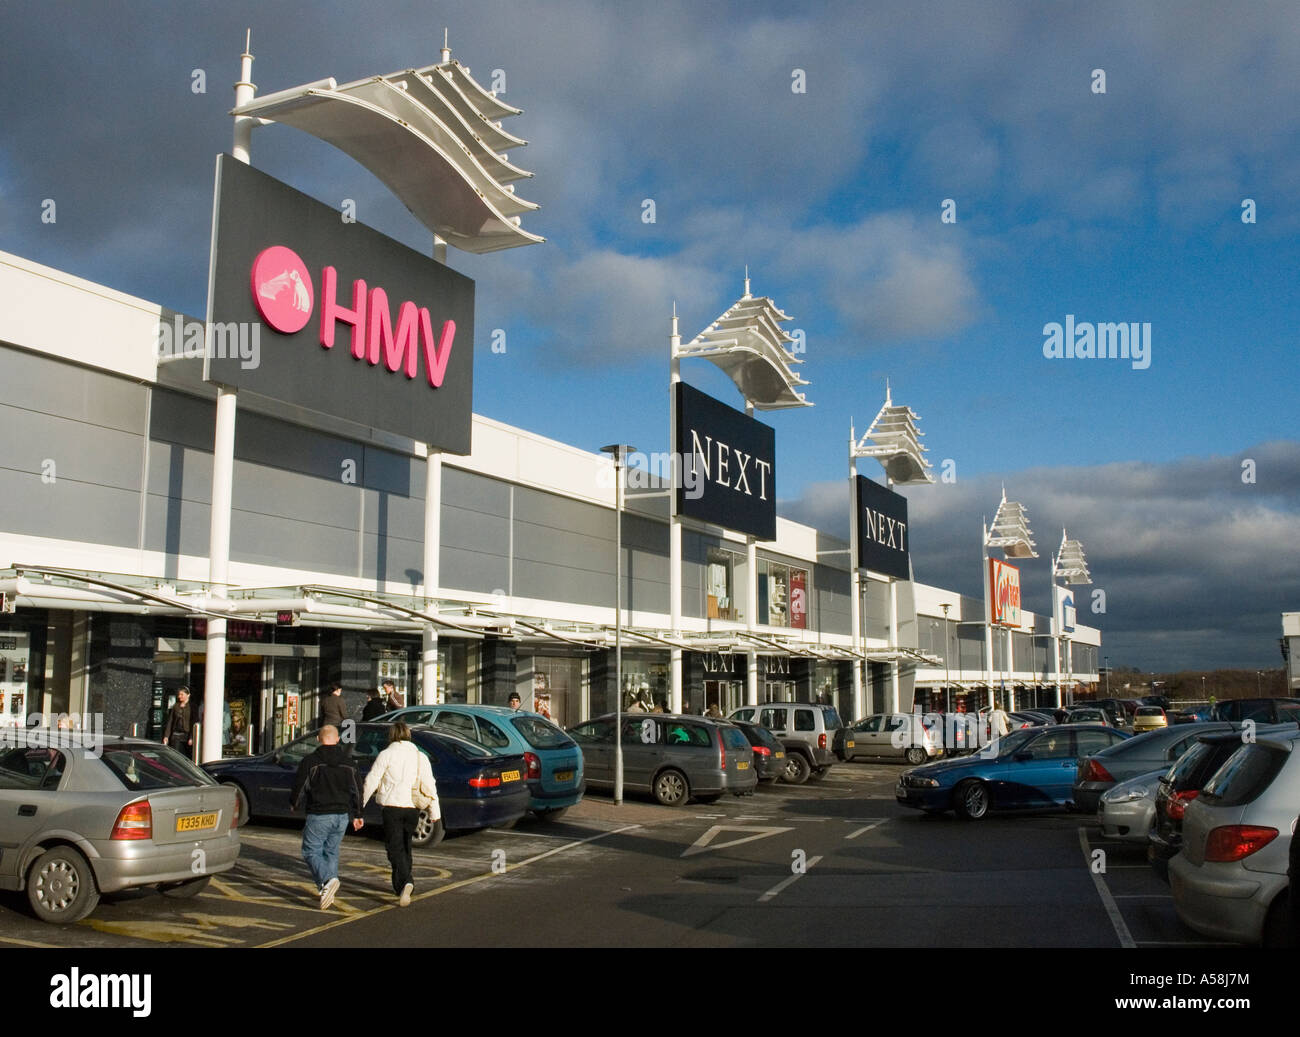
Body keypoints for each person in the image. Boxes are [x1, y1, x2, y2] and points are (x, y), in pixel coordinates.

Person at [362, 722, 438, 907]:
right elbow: (430, 784)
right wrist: (435, 810)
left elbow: (371, 780)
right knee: (405, 845)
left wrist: (359, 806)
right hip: (413, 807)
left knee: (393, 847)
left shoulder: (386, 754)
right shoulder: (421, 757)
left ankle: (406, 881)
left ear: (392, 736)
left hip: (392, 806)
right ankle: (400, 887)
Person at [291, 725, 363, 909]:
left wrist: (294, 803)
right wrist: (358, 814)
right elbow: (357, 790)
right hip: (341, 815)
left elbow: (300, 786)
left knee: (310, 851)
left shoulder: (310, 761)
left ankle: (328, 880)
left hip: (319, 813)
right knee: (331, 851)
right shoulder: (349, 763)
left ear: (318, 739)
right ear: (338, 739)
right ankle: (327, 891)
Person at [163, 687, 195, 754]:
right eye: (179, 694)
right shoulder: (176, 706)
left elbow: (193, 722)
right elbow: (170, 721)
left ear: (188, 695)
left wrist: (191, 737)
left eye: (182, 694)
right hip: (176, 735)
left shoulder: (192, 706)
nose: (179, 696)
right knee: (176, 753)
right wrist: (166, 736)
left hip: (187, 735)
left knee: (187, 755)